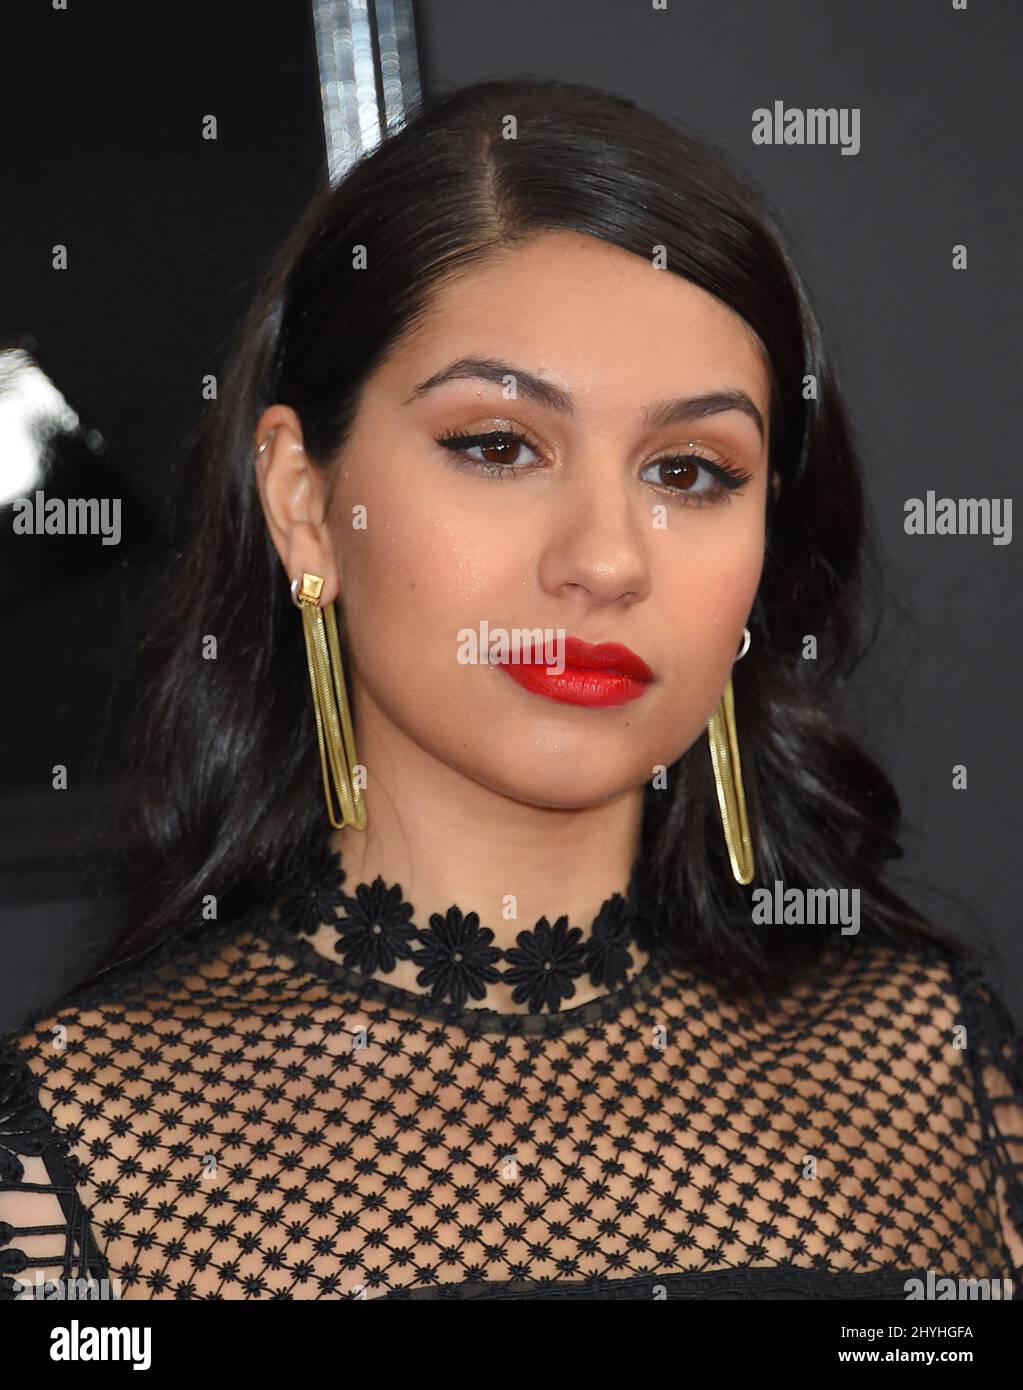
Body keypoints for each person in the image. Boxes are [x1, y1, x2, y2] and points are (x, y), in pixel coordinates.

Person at [1, 77, 1020, 1303]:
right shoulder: (89, 1144)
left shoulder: (934, 1067)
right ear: (305, 504)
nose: (606, 559)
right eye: (497, 446)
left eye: (690, 471)